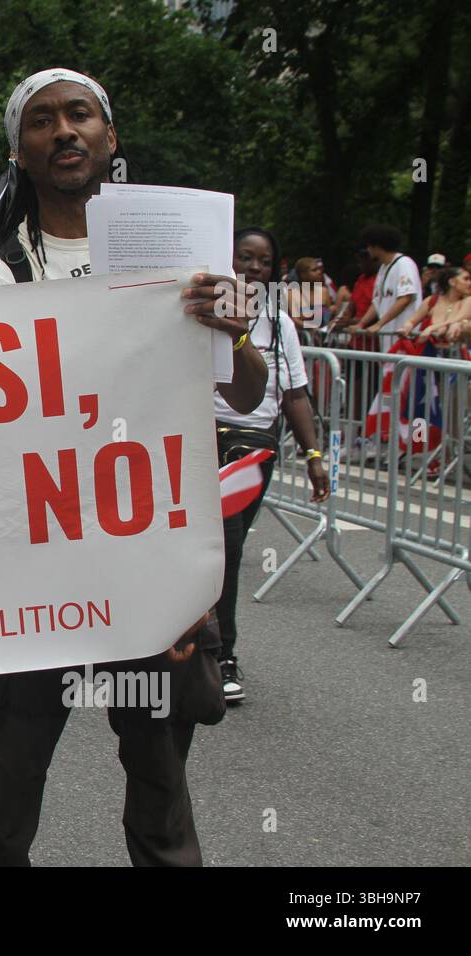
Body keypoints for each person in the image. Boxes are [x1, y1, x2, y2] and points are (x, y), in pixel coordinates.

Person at [0, 68, 269, 867]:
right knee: (6, 790)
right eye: (41, 121)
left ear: (110, 137)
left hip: (151, 568)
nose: (63, 131)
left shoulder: (179, 257)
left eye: (80, 115)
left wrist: (233, 331)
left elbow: (246, 390)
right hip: (37, 569)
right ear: (19, 152)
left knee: (161, 788)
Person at [215, 228, 329, 703]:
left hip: (257, 448)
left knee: (225, 547)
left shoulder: (280, 324)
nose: (254, 267)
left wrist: (314, 456)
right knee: (229, 545)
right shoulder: (204, 312)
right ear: (229, 260)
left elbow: (295, 395)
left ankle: (200, 644)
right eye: (245, 257)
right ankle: (221, 657)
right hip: (205, 440)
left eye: (264, 262)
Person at [349, 224, 420, 349]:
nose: (368, 249)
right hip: (388, 338)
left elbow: (405, 298)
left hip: (403, 337)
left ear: (376, 246)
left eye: (369, 245)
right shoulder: (383, 268)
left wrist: (379, 324)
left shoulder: (404, 264)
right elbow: (377, 301)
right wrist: (362, 323)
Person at [399, 265, 471, 347]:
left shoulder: (468, 301)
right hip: (427, 354)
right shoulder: (431, 301)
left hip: (455, 356)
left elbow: (458, 319)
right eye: (466, 279)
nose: (469, 283)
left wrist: (431, 328)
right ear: (452, 282)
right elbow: (412, 321)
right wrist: (407, 327)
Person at [286, 256, 329, 331]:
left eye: (319, 269)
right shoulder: (292, 293)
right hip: (304, 338)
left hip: (323, 336)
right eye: (314, 270)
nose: (319, 272)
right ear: (303, 274)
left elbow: (328, 315)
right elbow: (294, 320)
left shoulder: (324, 291)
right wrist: (311, 327)